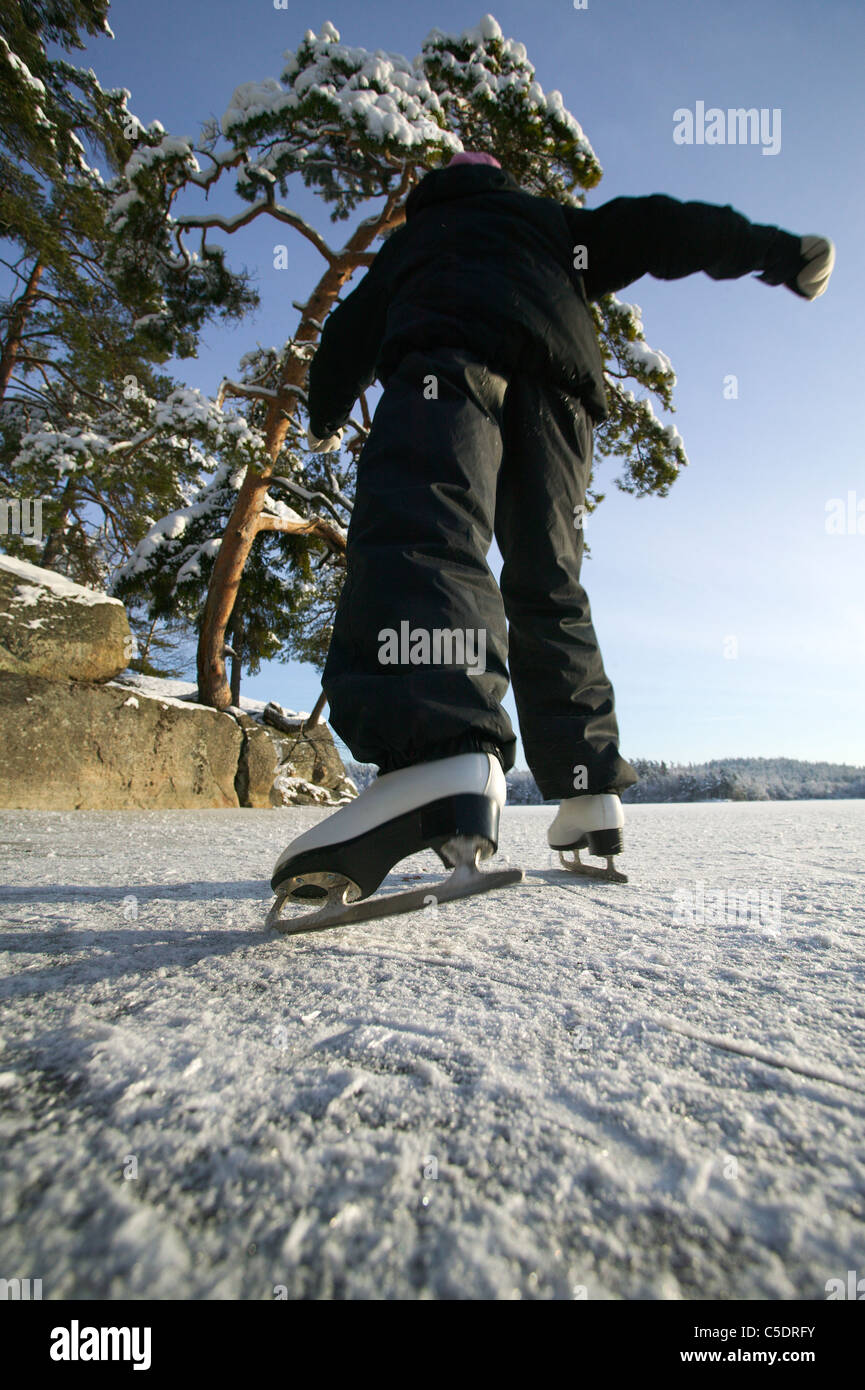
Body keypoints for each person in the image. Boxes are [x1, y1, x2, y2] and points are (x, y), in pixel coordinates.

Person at [268, 150, 835, 930]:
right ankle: (586, 790)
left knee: (426, 523)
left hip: (447, 354)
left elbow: (348, 333)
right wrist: (775, 252)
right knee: (549, 577)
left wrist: (327, 409)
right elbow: (661, 229)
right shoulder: (548, 224)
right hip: (560, 393)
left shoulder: (418, 239)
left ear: (434, 194)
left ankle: (437, 753)